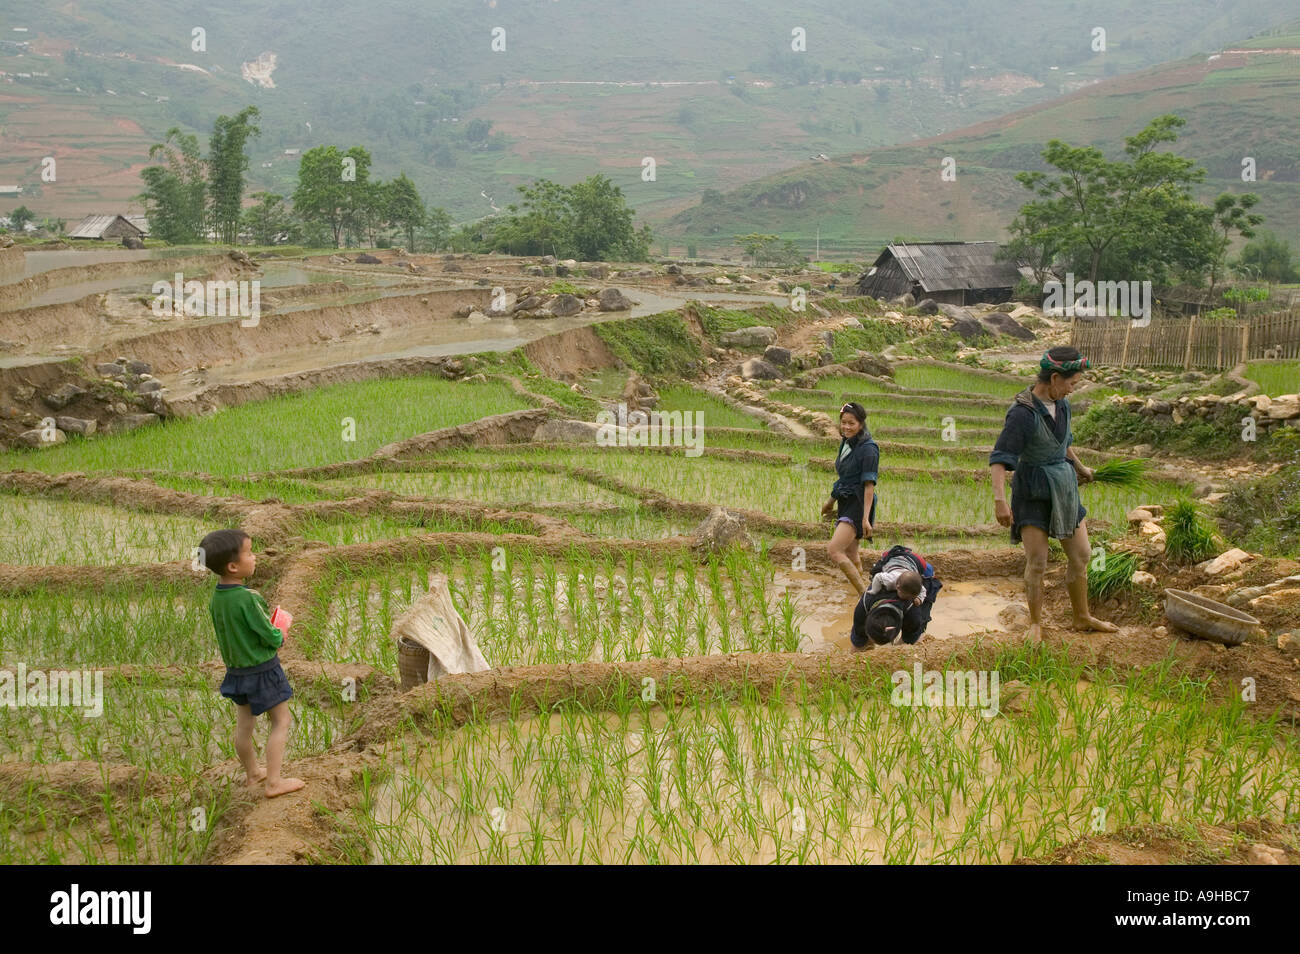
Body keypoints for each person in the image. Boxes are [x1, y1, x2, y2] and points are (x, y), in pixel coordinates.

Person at [988, 346, 1118, 644]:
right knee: (1037, 561)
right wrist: (1000, 501)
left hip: (1064, 487)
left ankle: (1081, 616)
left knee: (1082, 554)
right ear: (1056, 378)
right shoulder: (1022, 413)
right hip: (1033, 489)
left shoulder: (1063, 405)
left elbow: (1063, 442)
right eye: (1071, 384)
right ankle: (1035, 623)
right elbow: (999, 458)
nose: (1072, 390)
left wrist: (1080, 467)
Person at [199, 528, 305, 798]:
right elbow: (268, 635)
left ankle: (252, 774)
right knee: (281, 721)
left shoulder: (216, 599)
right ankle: (273, 782)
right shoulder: (249, 598)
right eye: (249, 553)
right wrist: (280, 633)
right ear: (233, 566)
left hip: (237, 673)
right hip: (263, 670)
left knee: (244, 727)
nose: (255, 556)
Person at [821, 402, 879, 595]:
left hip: (858, 503)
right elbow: (844, 479)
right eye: (843, 422)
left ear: (861, 424)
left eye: (851, 423)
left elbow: (868, 486)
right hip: (846, 500)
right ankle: (860, 592)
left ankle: (864, 596)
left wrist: (865, 518)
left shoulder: (869, 449)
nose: (846, 427)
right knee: (852, 552)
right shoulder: (846, 442)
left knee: (834, 550)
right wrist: (831, 501)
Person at [850, 544, 943, 648]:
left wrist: (919, 599)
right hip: (893, 565)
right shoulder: (863, 606)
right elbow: (857, 644)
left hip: (921, 573)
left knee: (916, 635)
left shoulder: (912, 612)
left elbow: (909, 643)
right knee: (861, 643)